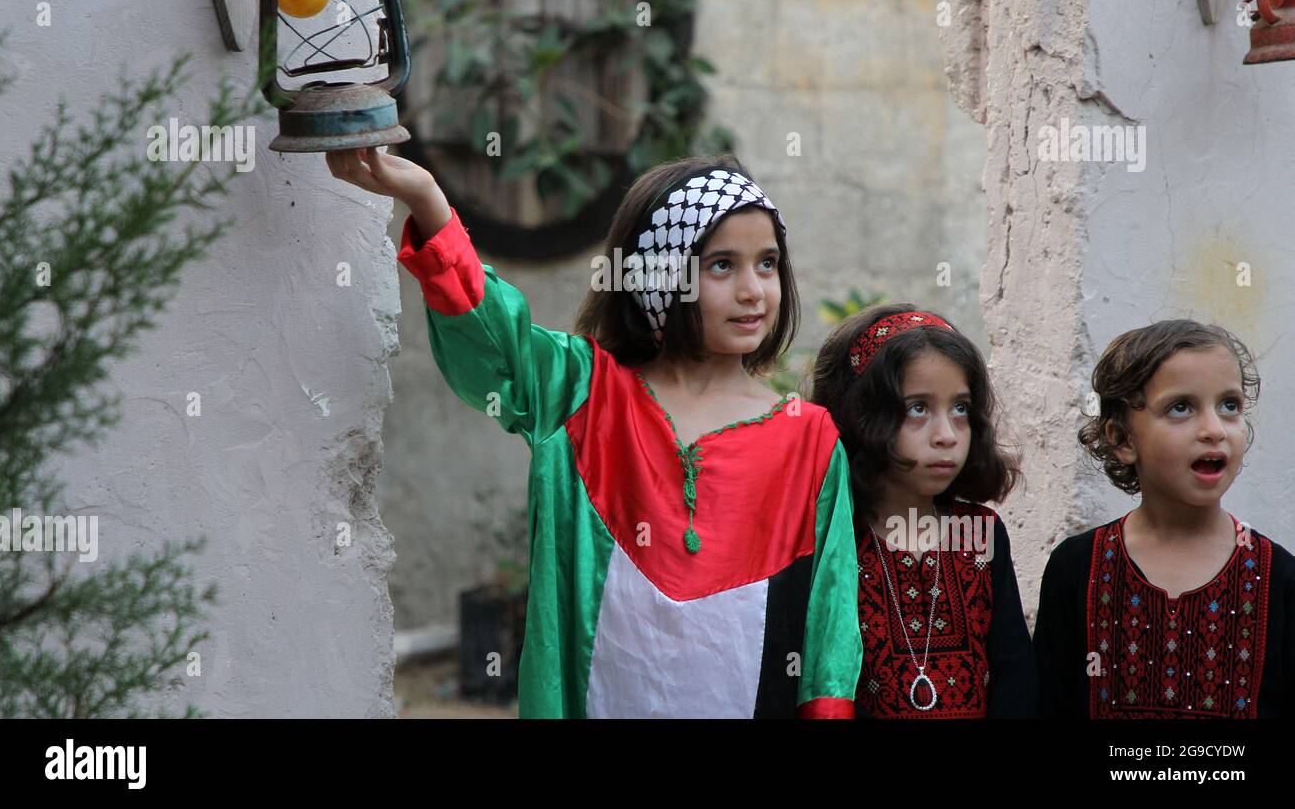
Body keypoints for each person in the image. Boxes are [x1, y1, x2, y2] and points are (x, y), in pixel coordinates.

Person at [326, 146, 862, 718]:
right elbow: (492, 341)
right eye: (722, 265)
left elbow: (829, 629)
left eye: (768, 263)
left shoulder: (808, 439)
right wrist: (429, 202)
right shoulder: (581, 393)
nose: (754, 290)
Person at [1034, 319, 1295, 717]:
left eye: (1230, 405)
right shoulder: (1076, 568)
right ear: (1122, 439)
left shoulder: (1279, 577)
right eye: (1181, 407)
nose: (1214, 430)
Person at [810, 304, 1036, 717]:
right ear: (862, 415)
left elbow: (1014, 678)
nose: (947, 435)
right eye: (918, 408)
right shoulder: (829, 539)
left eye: (961, 409)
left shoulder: (982, 532)